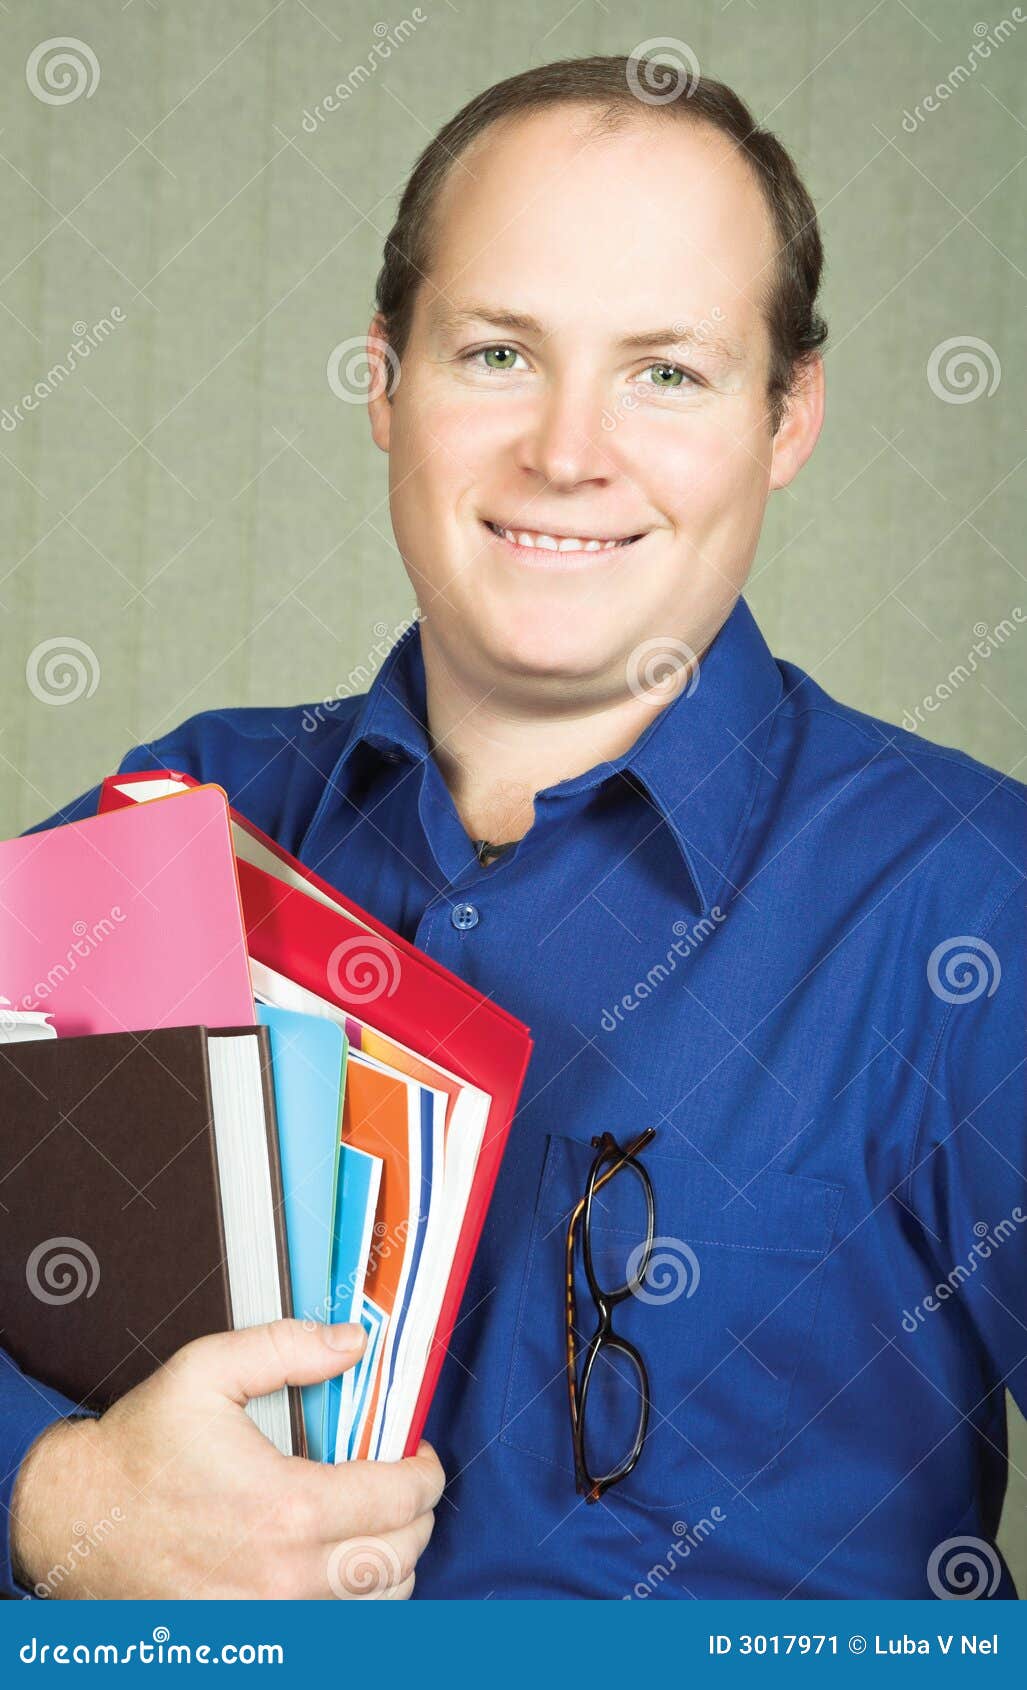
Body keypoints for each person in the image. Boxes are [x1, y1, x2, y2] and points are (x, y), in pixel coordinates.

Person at [6, 55, 1024, 1600]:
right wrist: (53, 1496)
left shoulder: (968, 901)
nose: (567, 449)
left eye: (666, 371)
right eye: (496, 353)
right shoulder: (175, 830)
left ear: (789, 413)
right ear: (384, 379)